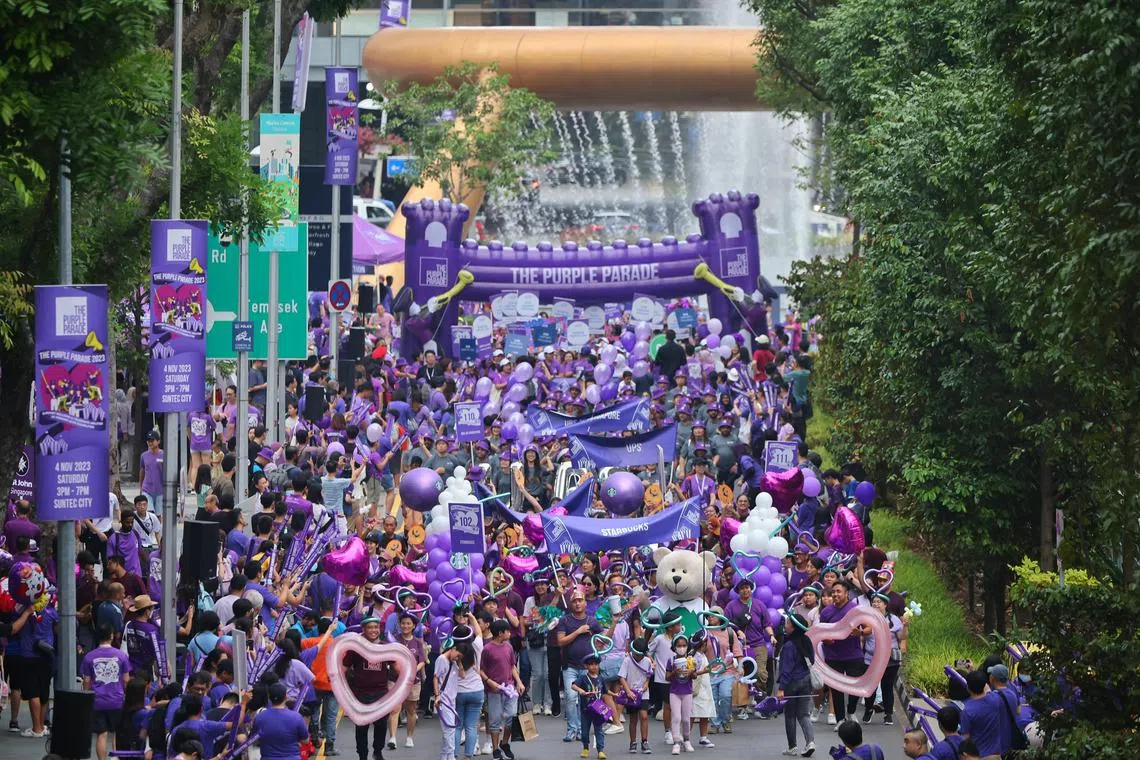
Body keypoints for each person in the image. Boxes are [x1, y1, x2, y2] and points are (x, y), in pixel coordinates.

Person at [557, 586, 606, 743]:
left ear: (585, 603)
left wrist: (600, 644)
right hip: (570, 666)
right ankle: (572, 729)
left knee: (587, 700)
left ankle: (583, 730)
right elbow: (560, 641)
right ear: (571, 604)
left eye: (580, 600)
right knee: (571, 698)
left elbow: (604, 640)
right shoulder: (565, 620)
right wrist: (578, 632)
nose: (577, 603)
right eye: (574, 601)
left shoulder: (592, 621)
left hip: (588, 668)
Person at [344, 617, 395, 760]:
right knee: (361, 727)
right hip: (361, 694)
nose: (374, 630)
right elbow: (343, 668)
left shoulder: (385, 647)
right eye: (370, 627)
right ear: (364, 630)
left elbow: (398, 667)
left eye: (376, 627)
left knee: (381, 726)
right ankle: (362, 755)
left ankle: (377, 751)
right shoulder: (356, 649)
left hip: (381, 694)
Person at [819, 582, 865, 725]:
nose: (835, 594)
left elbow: (869, 628)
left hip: (854, 654)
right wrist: (825, 640)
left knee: (856, 686)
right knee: (836, 689)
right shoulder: (826, 612)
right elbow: (821, 631)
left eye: (839, 591)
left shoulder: (856, 609)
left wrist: (861, 632)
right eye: (833, 592)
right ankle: (840, 720)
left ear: (847, 594)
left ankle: (851, 711)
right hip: (833, 655)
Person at [480, 619, 525, 760]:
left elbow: (512, 666)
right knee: (494, 720)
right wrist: (489, 681)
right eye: (507, 631)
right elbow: (481, 670)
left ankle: (505, 743)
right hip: (494, 690)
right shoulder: (487, 649)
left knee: (511, 716)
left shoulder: (509, 647)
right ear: (500, 633)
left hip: (509, 688)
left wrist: (519, 682)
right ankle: (495, 749)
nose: (510, 633)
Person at [860, 593, 905, 725]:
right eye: (873, 602)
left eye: (879, 602)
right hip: (870, 659)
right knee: (871, 687)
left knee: (887, 686)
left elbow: (901, 636)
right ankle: (868, 709)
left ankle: (888, 714)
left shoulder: (893, 619)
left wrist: (906, 626)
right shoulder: (866, 619)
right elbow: (861, 638)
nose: (876, 604)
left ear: (885, 604)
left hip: (889, 660)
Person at [776, 611, 816, 757]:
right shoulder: (806, 641)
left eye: (787, 623)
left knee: (790, 715)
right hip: (806, 680)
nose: (785, 626)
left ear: (793, 627)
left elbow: (786, 669)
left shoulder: (789, 645)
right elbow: (812, 660)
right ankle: (810, 742)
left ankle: (792, 747)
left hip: (792, 683)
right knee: (804, 714)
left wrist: (781, 688)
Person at [387, 613, 428, 750]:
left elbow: (422, 661)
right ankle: (392, 738)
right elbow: (389, 658)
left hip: (413, 681)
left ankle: (409, 737)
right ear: (399, 625)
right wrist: (398, 670)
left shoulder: (417, 642)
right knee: (394, 709)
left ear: (414, 626)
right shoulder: (394, 640)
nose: (405, 626)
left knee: (411, 710)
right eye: (403, 623)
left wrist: (413, 671)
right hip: (395, 680)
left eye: (408, 623)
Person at [253, 681, 310, 760]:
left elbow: (254, 740)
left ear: (269, 697)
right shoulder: (296, 717)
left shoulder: (260, 717)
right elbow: (305, 740)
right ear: (286, 697)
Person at [959, 669, 1004, 757]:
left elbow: (965, 738)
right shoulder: (996, 699)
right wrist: (973, 671)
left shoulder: (967, 711)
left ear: (968, 688)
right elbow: (986, 688)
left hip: (980, 755)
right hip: (997, 754)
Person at [572, 653, 609, 760]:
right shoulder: (583, 678)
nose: (594, 666)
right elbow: (573, 685)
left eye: (596, 664)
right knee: (584, 730)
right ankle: (585, 748)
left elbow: (605, 691)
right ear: (586, 666)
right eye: (591, 664)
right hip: (586, 709)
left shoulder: (600, 679)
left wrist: (614, 694)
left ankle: (600, 751)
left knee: (599, 730)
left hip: (598, 710)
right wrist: (581, 691)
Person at [139, 430, 165, 515]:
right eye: (148, 441)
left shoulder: (164, 455)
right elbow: (142, 471)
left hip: (160, 490)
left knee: (158, 516)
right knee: (149, 513)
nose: (150, 443)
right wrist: (141, 487)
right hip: (147, 489)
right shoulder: (144, 456)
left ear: (158, 441)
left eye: (152, 440)